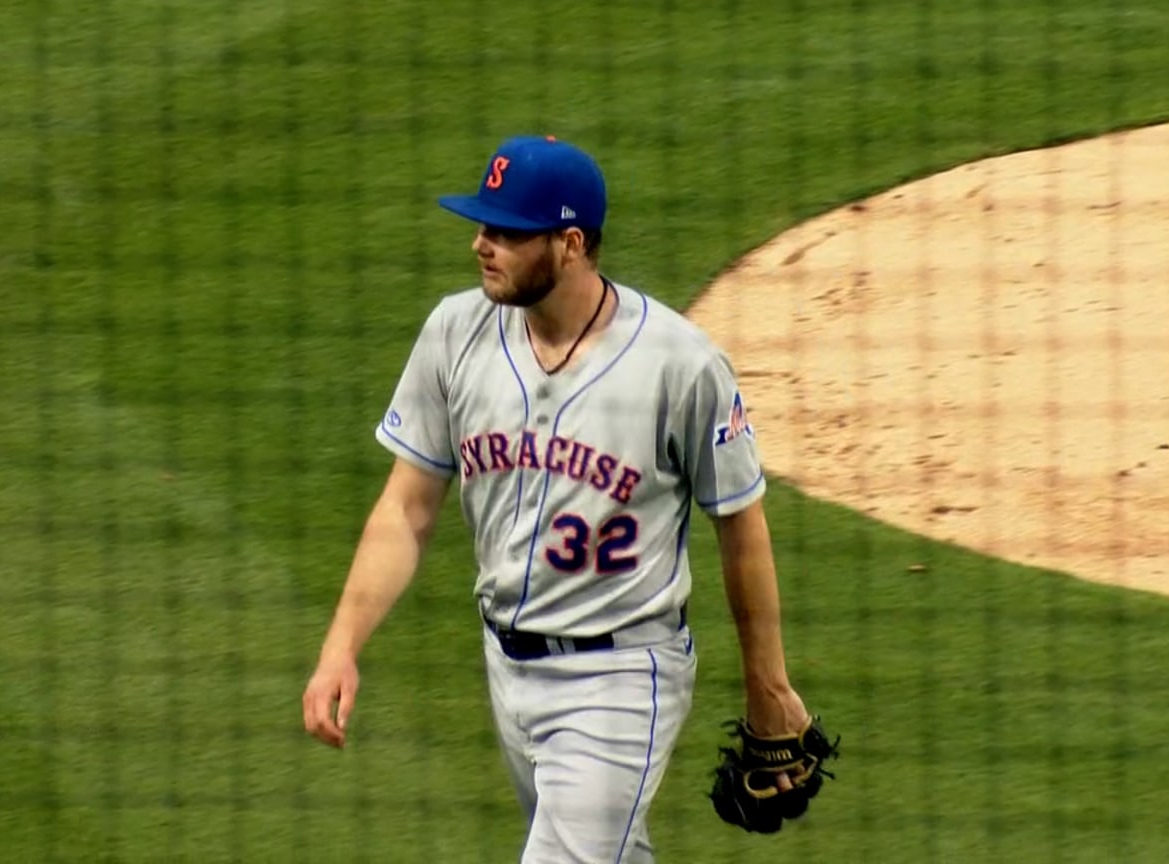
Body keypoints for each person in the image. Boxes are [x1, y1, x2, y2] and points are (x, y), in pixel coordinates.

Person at [302, 134, 815, 863]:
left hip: (620, 680)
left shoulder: (680, 364)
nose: (482, 244)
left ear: (571, 244)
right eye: (483, 225)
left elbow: (740, 522)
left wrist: (768, 686)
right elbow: (407, 508)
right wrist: (340, 648)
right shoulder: (454, 333)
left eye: (508, 232)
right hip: (504, 666)